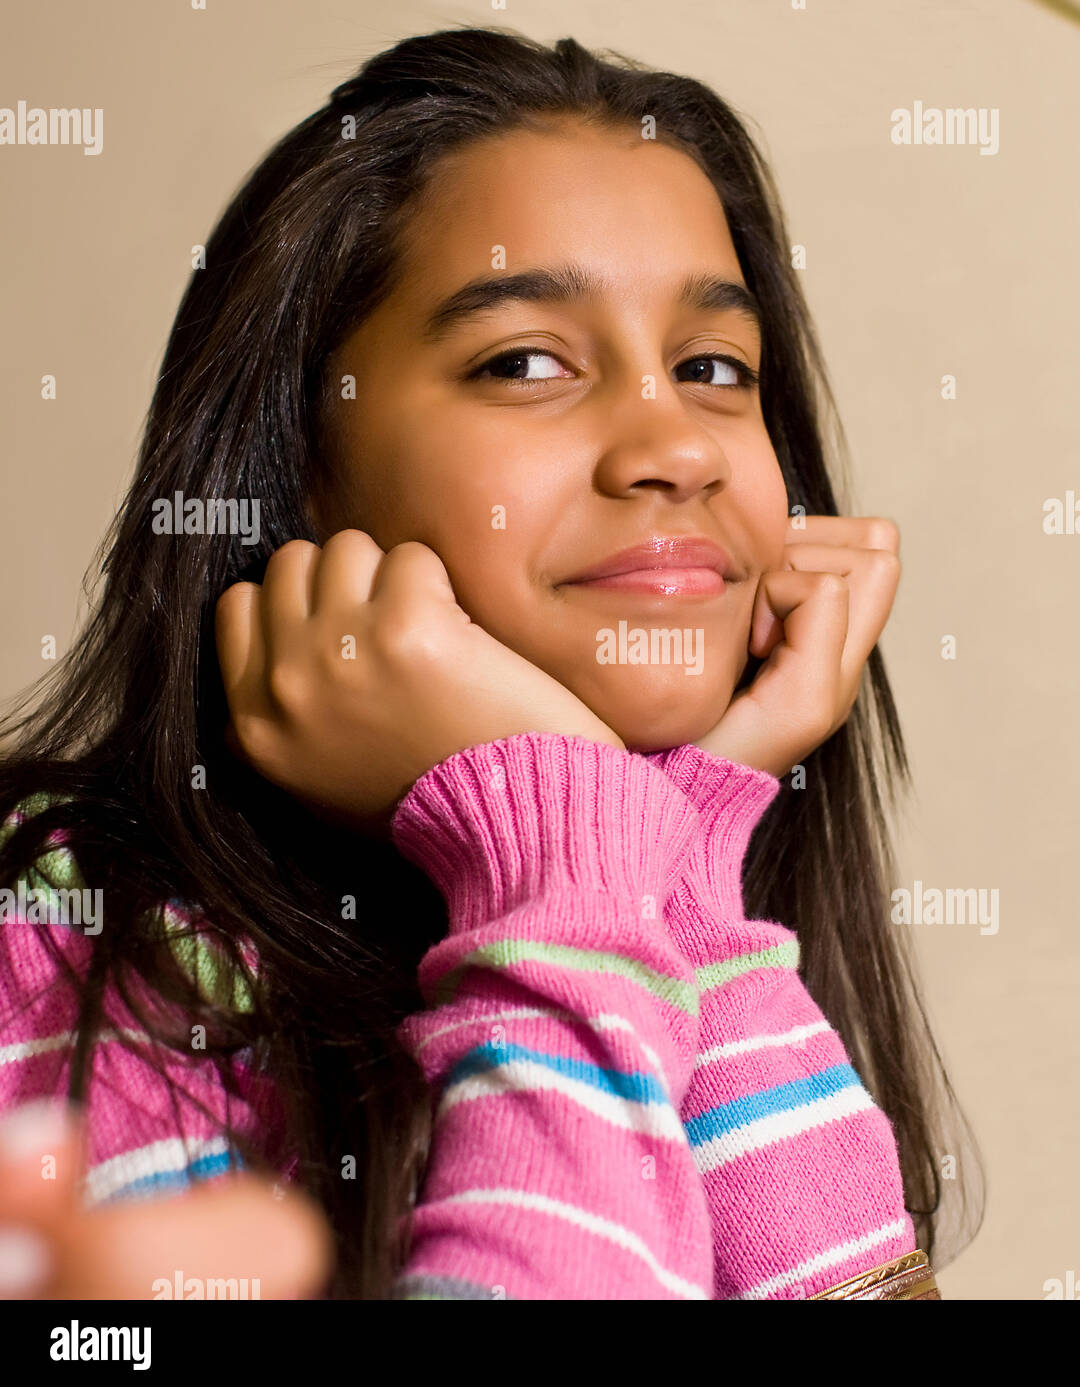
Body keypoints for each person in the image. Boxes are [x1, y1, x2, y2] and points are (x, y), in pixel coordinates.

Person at [0, 25, 983, 1299]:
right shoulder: (66, 934)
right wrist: (570, 854)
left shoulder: (703, 935)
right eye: (525, 362)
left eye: (712, 367)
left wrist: (666, 866)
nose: (674, 445)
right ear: (307, 467)